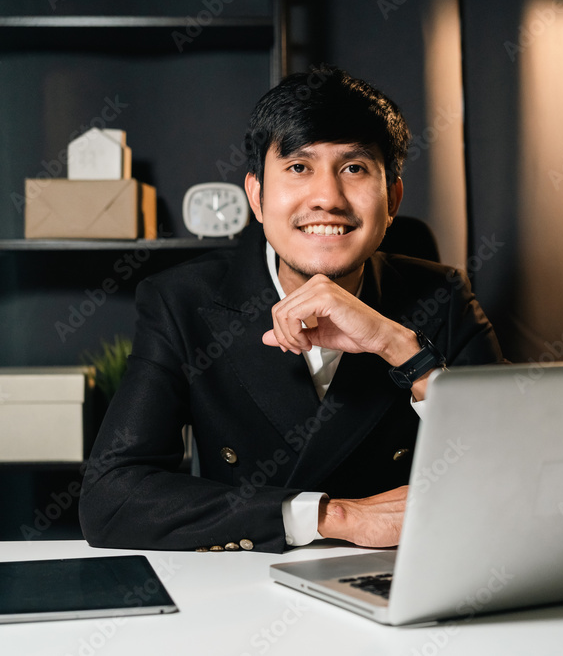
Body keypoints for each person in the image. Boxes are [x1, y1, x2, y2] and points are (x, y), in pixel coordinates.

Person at [79, 66, 503, 554]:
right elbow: (111, 499)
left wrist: (400, 347)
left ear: (393, 200)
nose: (327, 198)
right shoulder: (182, 301)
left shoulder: (442, 295)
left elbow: (517, 468)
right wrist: (332, 515)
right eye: (299, 168)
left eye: (355, 168)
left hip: (407, 579)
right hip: (249, 578)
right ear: (257, 197)